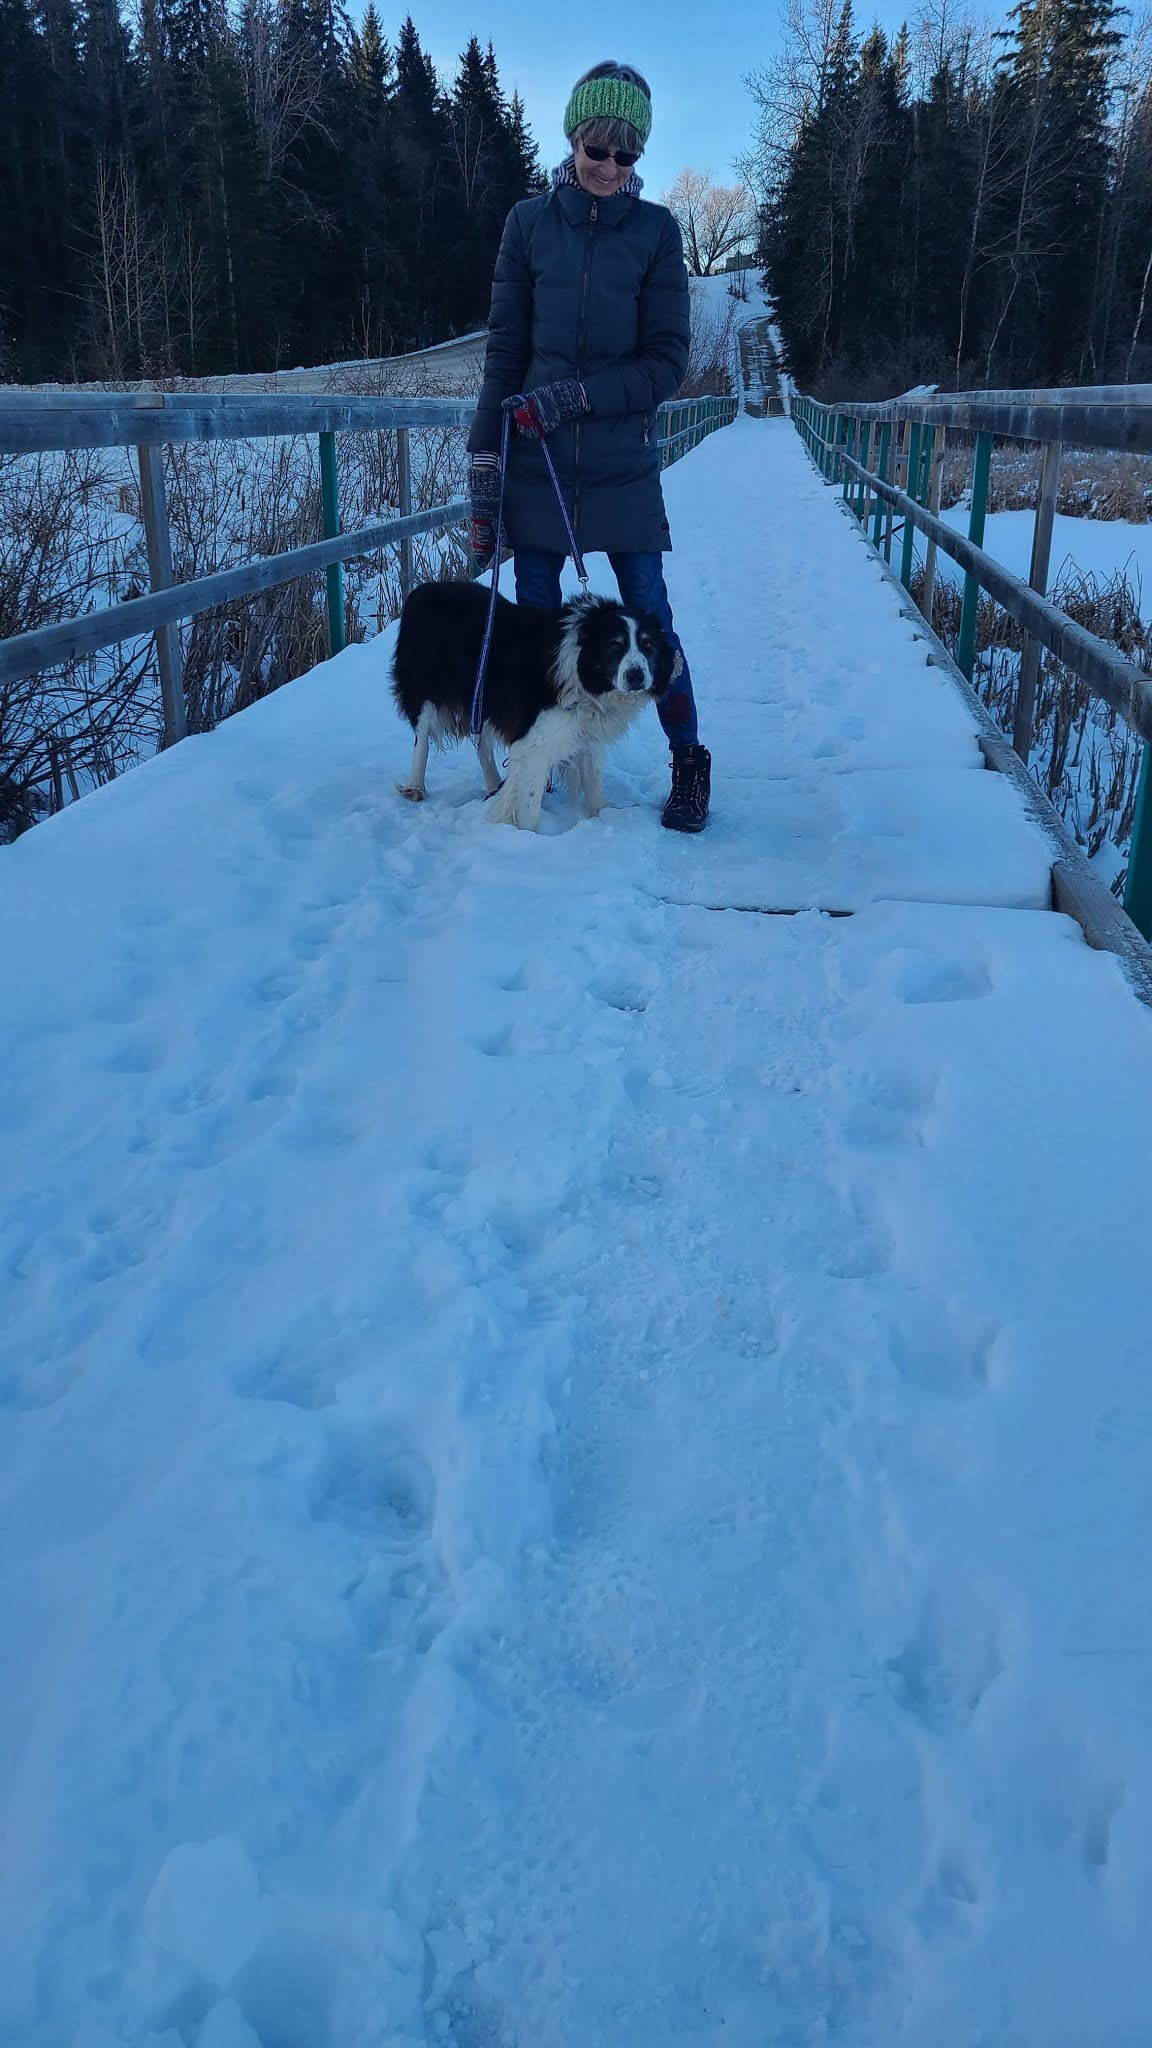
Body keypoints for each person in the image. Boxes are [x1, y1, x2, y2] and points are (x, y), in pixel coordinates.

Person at [467, 60, 711, 833]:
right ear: (573, 139)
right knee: (540, 634)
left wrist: (576, 397)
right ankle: (537, 767)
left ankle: (689, 763)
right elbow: (504, 354)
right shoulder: (527, 224)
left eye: (626, 154)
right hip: (534, 462)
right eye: (596, 149)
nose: (608, 168)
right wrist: (484, 466)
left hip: (622, 466)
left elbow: (666, 361)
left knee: (651, 619)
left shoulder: (657, 232)